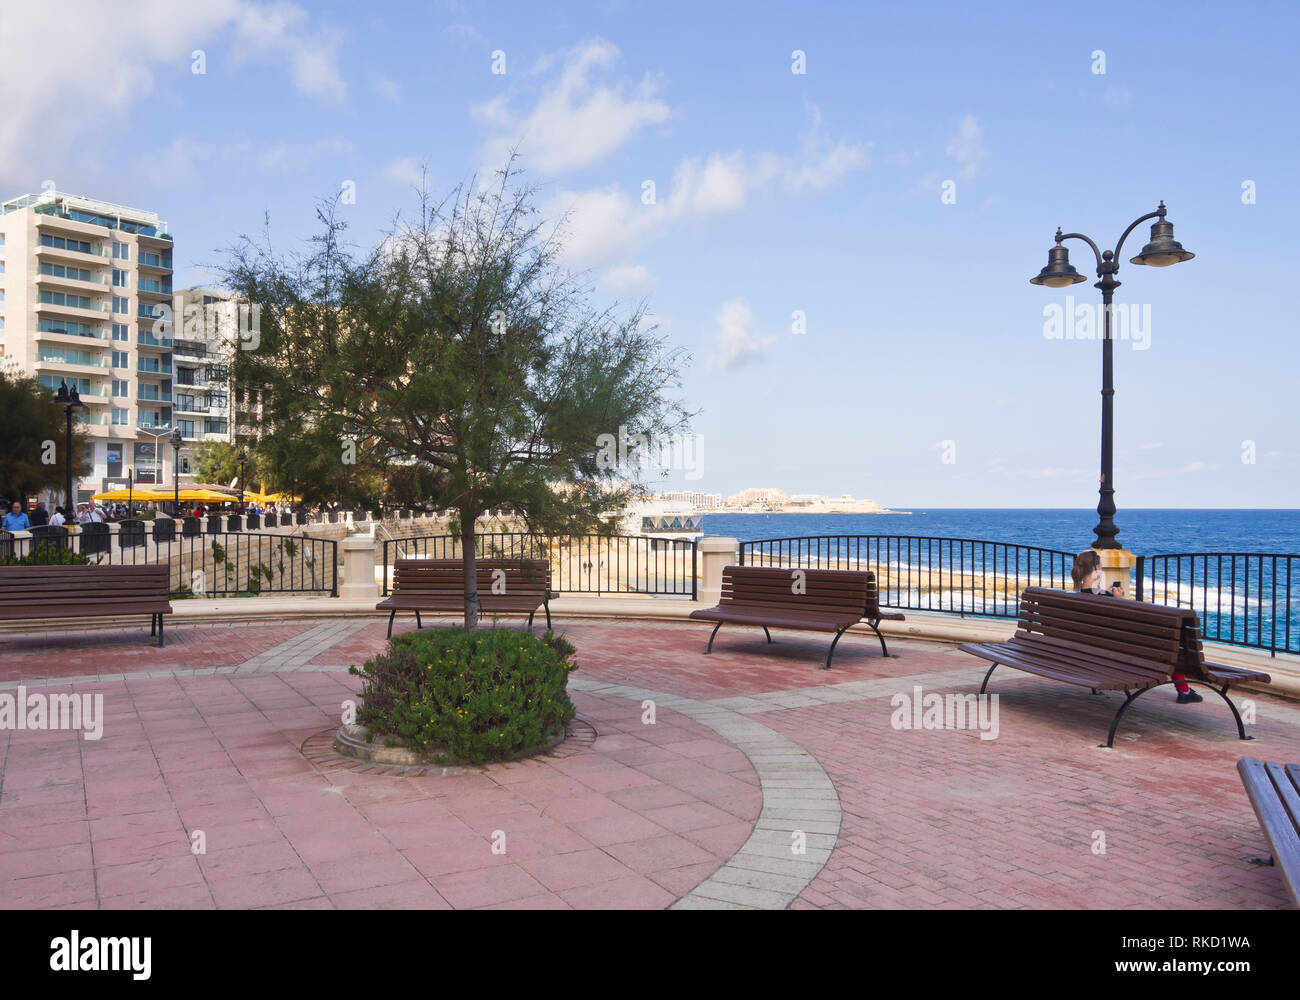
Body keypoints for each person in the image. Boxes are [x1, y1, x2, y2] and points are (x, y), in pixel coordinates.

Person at [1070, 550, 1201, 705]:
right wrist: (1120, 601)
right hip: (1118, 653)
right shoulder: (1105, 598)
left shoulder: (1073, 597)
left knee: (1169, 650)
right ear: (1097, 568)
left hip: (1088, 651)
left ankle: (1184, 689)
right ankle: (1184, 690)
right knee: (1172, 651)